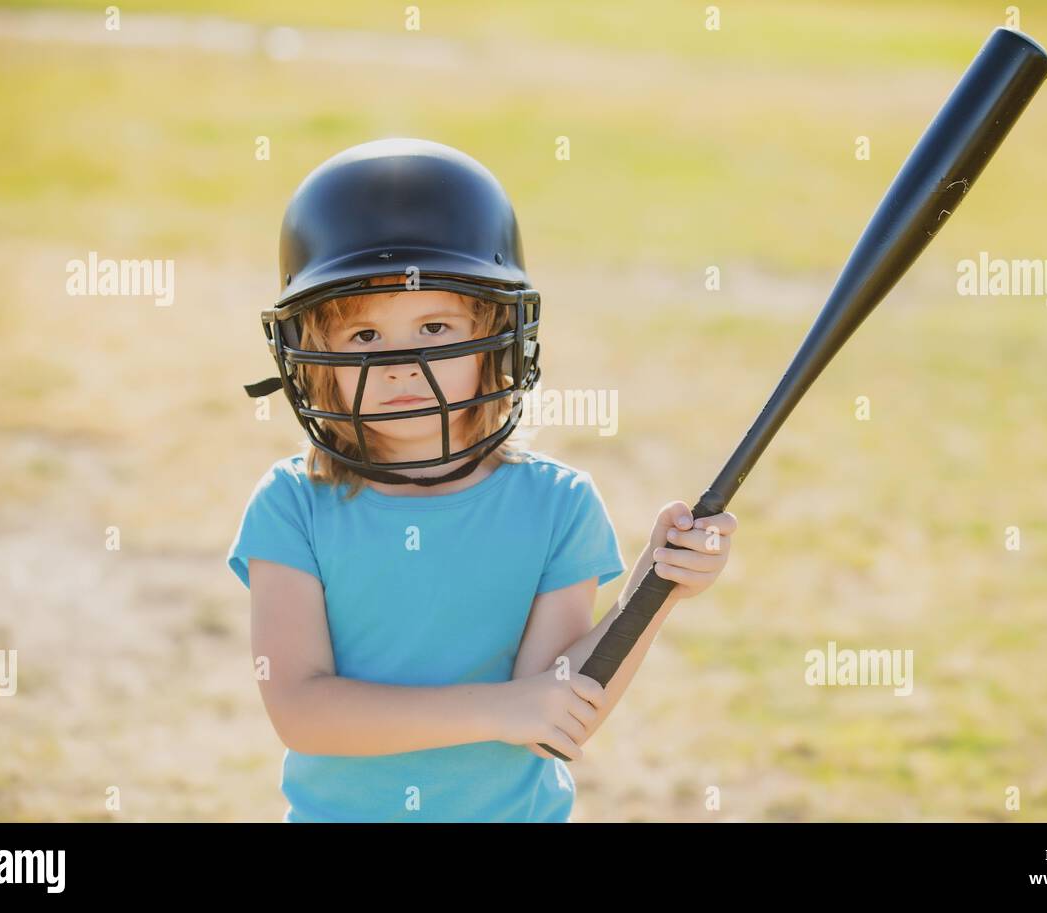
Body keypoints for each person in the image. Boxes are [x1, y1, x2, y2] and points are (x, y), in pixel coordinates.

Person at [227, 138, 738, 822]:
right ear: (311, 354)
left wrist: (657, 585)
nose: (403, 362)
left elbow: (552, 713)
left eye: (435, 325)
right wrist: (497, 708)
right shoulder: (292, 506)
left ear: (497, 334)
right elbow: (302, 709)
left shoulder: (557, 505)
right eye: (365, 337)